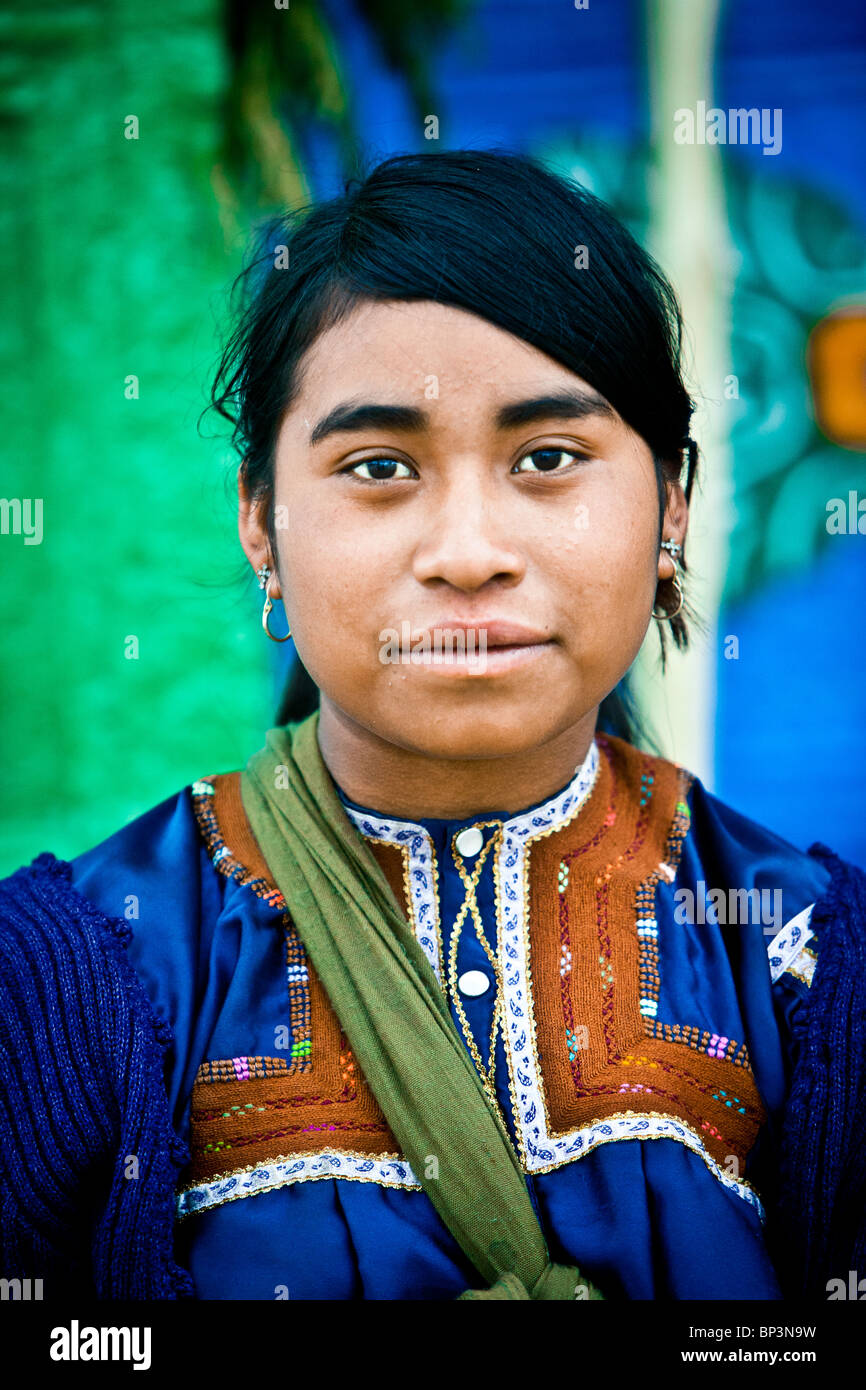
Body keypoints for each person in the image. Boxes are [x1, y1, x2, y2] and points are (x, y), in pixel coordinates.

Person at [1, 149, 864, 1302]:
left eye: (547, 458)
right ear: (260, 520)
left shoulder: (812, 968)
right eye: (377, 465)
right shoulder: (71, 978)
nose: (465, 553)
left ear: (671, 505)